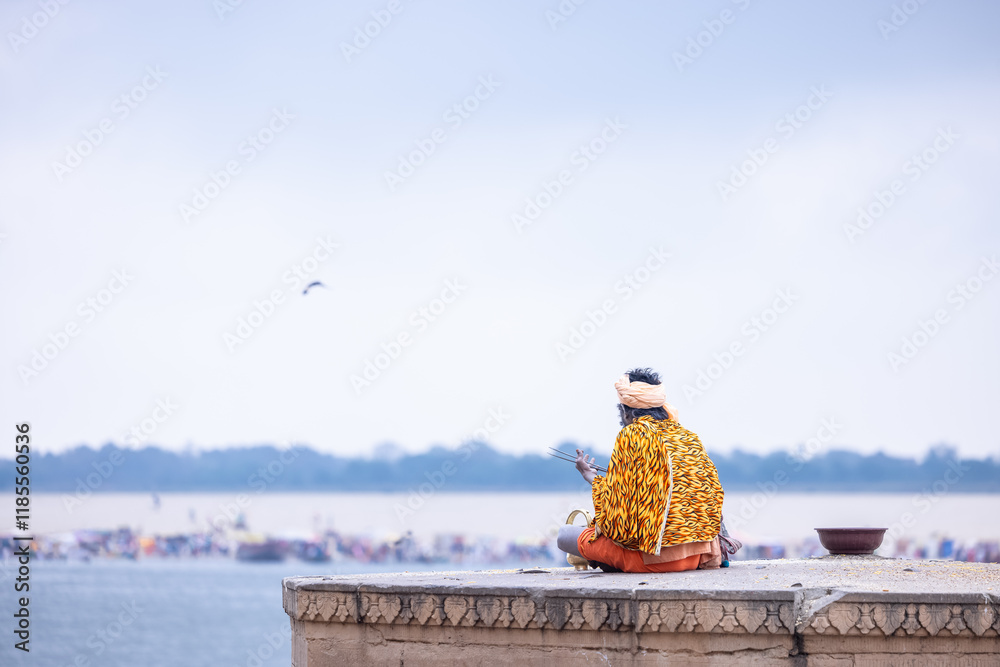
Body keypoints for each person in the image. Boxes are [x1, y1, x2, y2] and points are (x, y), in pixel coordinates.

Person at [557, 368, 728, 573]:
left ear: (626, 410)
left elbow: (618, 519)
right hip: (696, 557)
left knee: (566, 535)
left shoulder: (632, 435)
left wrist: (592, 478)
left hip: (653, 560)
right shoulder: (688, 437)